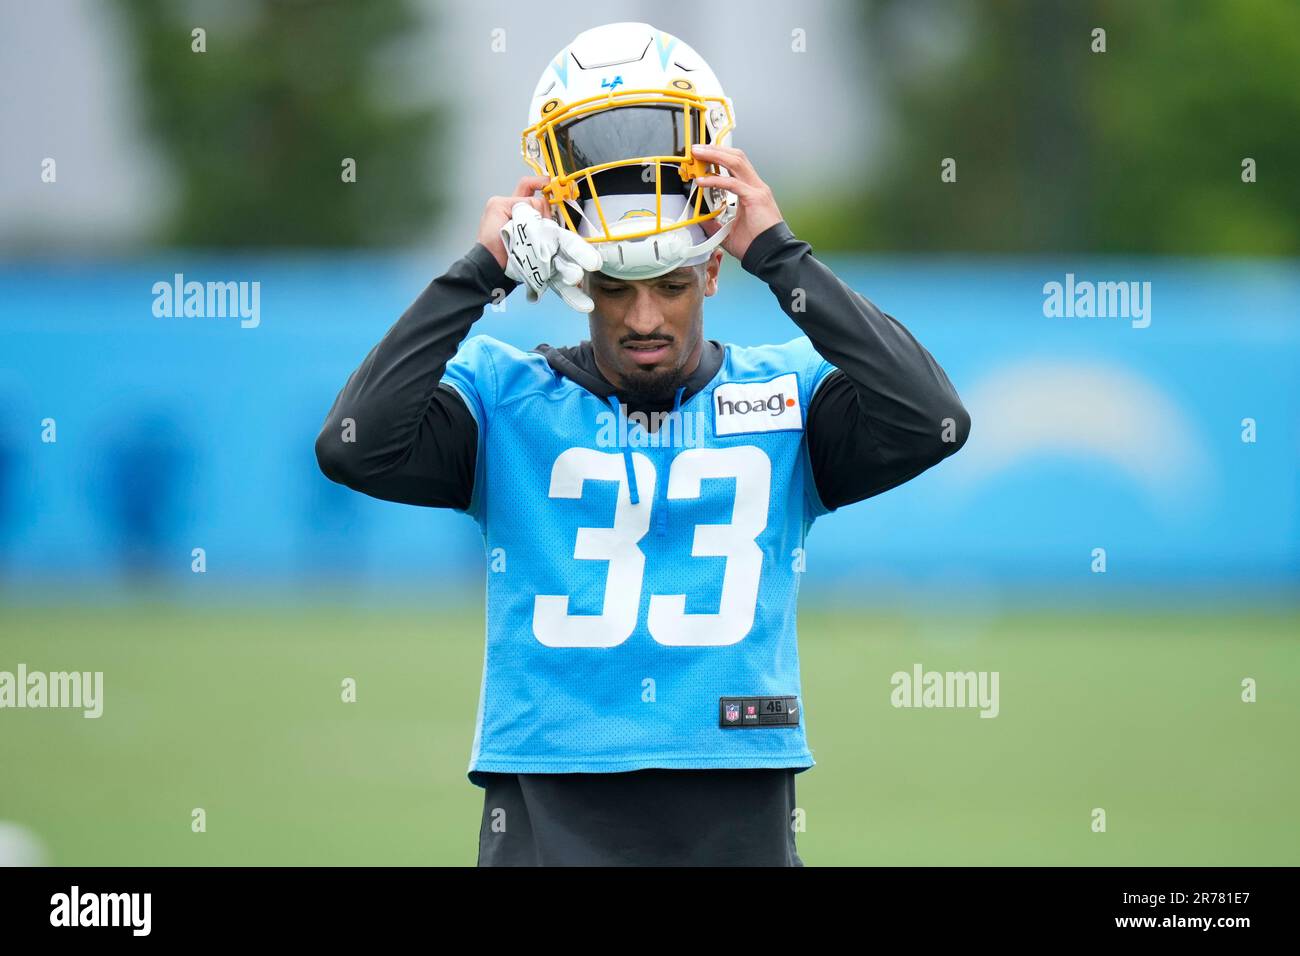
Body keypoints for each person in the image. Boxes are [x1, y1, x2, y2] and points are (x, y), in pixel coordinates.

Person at [315, 22, 970, 866]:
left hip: (739, 785)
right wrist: (476, 272)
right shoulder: (505, 396)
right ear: (580, 284)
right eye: (617, 289)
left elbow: (932, 416)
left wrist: (782, 254)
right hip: (549, 800)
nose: (646, 318)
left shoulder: (786, 395)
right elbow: (352, 446)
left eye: (669, 283)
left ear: (711, 272)